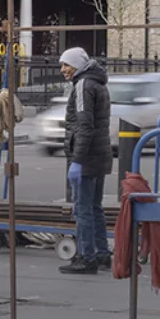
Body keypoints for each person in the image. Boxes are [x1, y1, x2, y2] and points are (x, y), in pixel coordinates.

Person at [58, 46, 112, 274]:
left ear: (78, 66)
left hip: (87, 158)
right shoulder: (98, 83)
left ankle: (86, 257)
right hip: (100, 155)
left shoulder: (82, 86)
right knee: (95, 207)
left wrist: (77, 160)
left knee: (83, 210)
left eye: (66, 65)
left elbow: (84, 126)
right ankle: (102, 253)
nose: (63, 70)